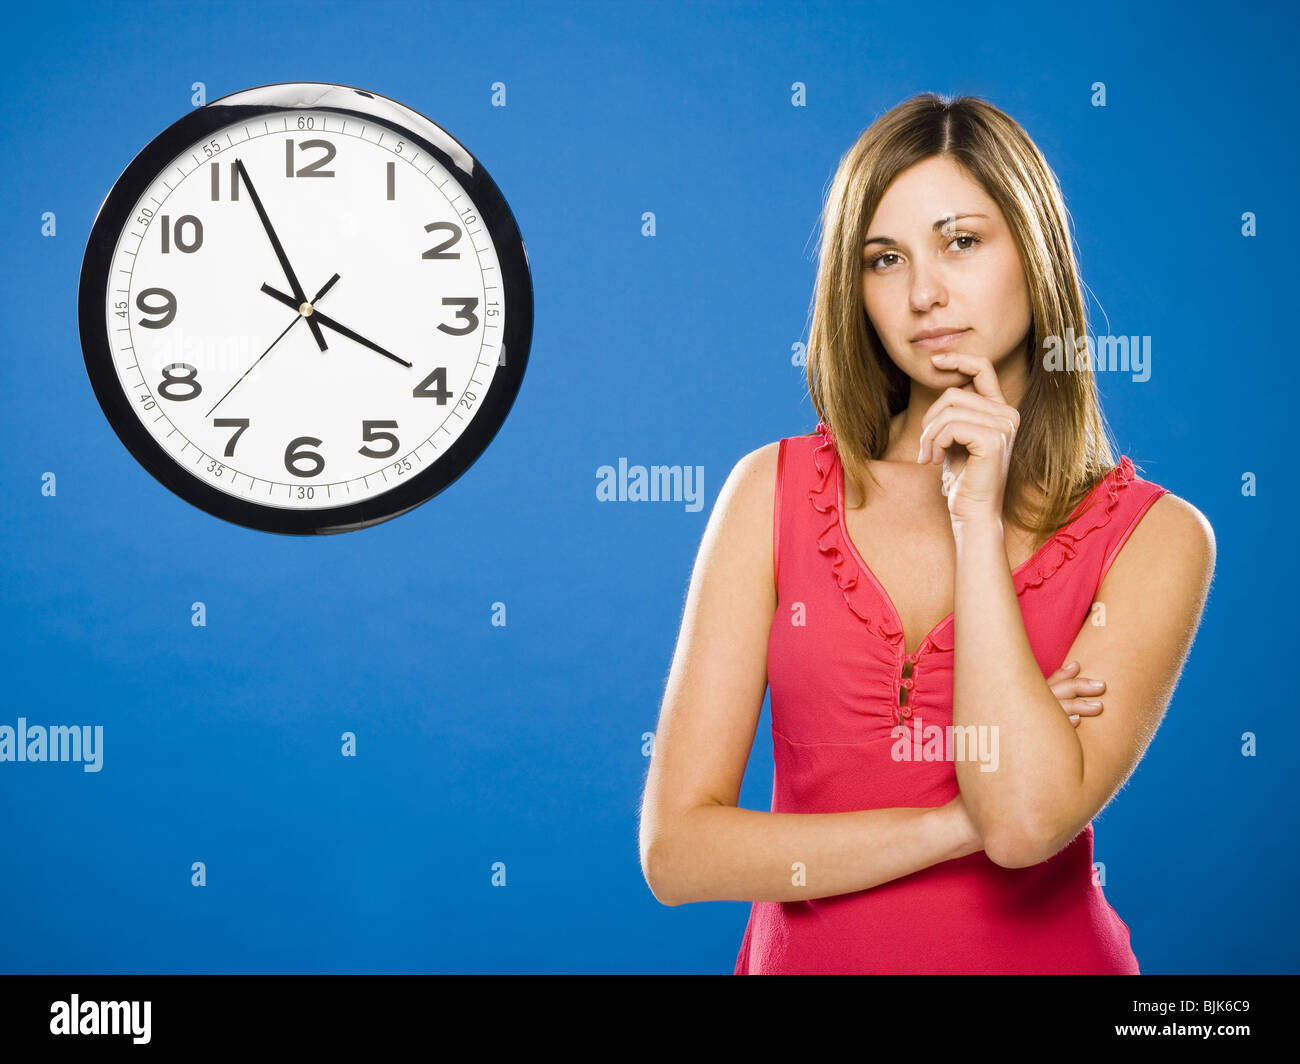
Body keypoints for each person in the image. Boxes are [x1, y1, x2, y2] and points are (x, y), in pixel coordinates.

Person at [637, 92, 1216, 974]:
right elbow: (677, 854)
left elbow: (1021, 825)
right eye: (884, 258)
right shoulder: (773, 492)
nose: (923, 294)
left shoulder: (1156, 537)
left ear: (1036, 252)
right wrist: (950, 825)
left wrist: (975, 519)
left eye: (961, 241)